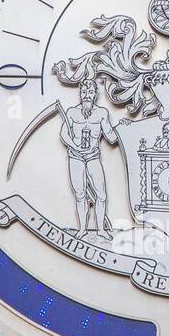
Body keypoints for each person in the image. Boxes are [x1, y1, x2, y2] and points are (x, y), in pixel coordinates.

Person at [60, 77, 117, 238]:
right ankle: (82, 229)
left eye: (90, 92)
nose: (87, 95)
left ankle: (101, 230)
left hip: (93, 157)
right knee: (80, 194)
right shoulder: (72, 112)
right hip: (75, 157)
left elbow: (111, 137)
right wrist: (74, 145)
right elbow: (64, 133)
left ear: (95, 95)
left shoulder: (102, 113)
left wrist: (123, 129)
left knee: (101, 195)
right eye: (84, 91)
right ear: (80, 94)